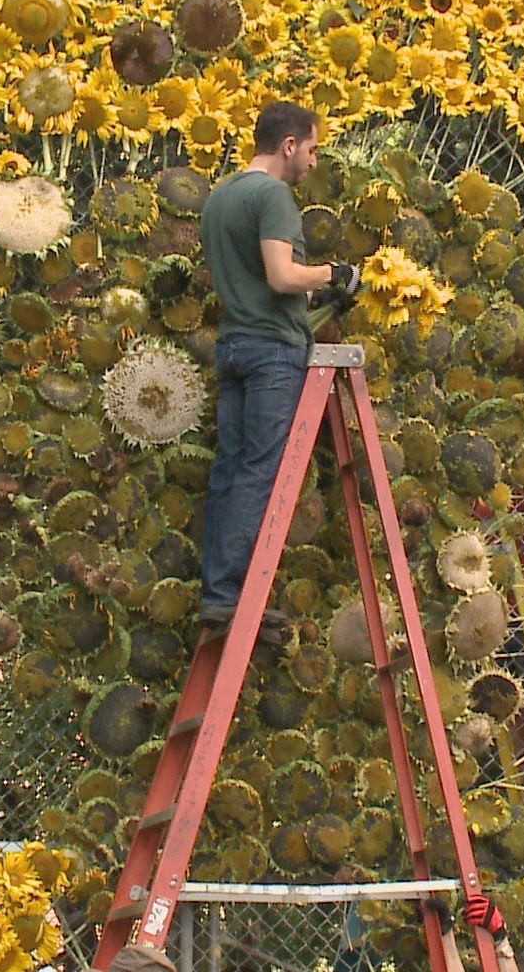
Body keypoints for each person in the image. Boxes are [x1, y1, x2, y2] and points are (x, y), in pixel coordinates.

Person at [196, 101, 358, 644]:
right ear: (289, 145)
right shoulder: (273, 196)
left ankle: (216, 593)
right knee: (261, 471)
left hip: (235, 345)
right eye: (312, 150)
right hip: (272, 353)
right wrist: (336, 272)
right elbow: (281, 275)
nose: (313, 162)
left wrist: (322, 293)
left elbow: (255, 279)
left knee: (230, 467)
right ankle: (234, 596)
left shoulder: (221, 197)